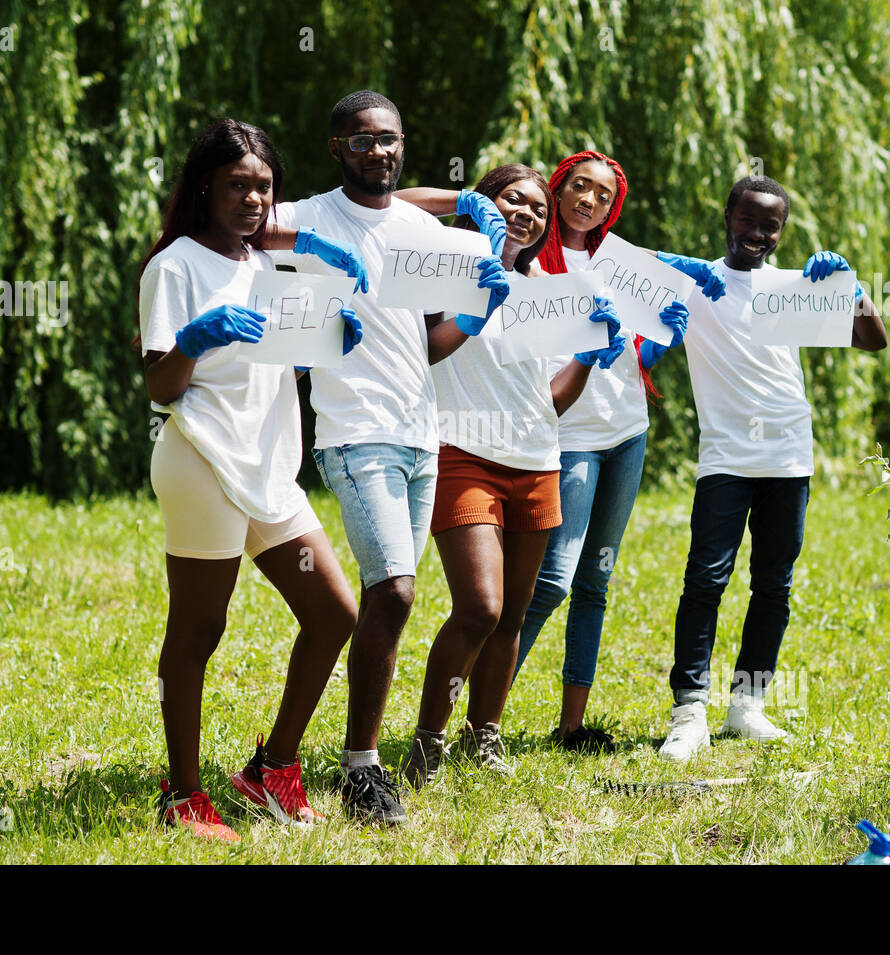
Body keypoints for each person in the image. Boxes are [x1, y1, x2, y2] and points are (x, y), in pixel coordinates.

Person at [267, 90, 508, 825]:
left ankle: (349, 761)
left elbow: (424, 342)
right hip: (351, 429)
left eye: (391, 140)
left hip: (418, 432)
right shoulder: (308, 214)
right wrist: (301, 251)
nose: (380, 151)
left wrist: (474, 313)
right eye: (364, 140)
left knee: (388, 598)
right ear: (337, 146)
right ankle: (362, 768)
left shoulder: (417, 230)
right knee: (396, 591)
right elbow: (227, 222)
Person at [138, 118, 369, 837]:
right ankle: (184, 795)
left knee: (334, 611)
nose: (251, 198)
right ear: (204, 185)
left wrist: (326, 340)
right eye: (237, 183)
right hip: (204, 457)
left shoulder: (269, 266)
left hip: (269, 466)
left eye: (263, 186)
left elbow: (278, 359)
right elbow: (160, 384)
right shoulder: (173, 267)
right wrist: (192, 340)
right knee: (200, 627)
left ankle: (271, 768)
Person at [393, 165, 626, 787]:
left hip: (537, 459)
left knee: (515, 613)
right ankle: (428, 741)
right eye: (510, 201)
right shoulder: (445, 265)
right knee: (480, 607)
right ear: (485, 204)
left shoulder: (549, 292)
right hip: (462, 454)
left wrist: (586, 355)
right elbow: (389, 206)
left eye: (537, 210)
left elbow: (551, 401)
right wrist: (459, 200)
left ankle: (484, 735)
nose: (527, 214)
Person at [659, 174, 887, 761]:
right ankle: (689, 712)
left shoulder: (793, 289)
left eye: (771, 224)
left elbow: (873, 340)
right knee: (705, 580)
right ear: (727, 217)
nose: (758, 232)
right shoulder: (696, 283)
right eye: (748, 219)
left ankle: (747, 705)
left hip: (788, 454)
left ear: (781, 232)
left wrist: (850, 285)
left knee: (773, 584)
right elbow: (618, 277)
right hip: (725, 458)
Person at [511, 151, 722, 752]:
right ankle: (483, 716)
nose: (589, 200)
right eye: (580, 187)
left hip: (627, 431)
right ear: (558, 188)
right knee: (552, 579)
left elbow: (631, 354)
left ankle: (572, 727)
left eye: (603, 195)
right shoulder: (532, 261)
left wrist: (661, 340)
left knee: (596, 583)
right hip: (570, 437)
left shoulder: (624, 263)